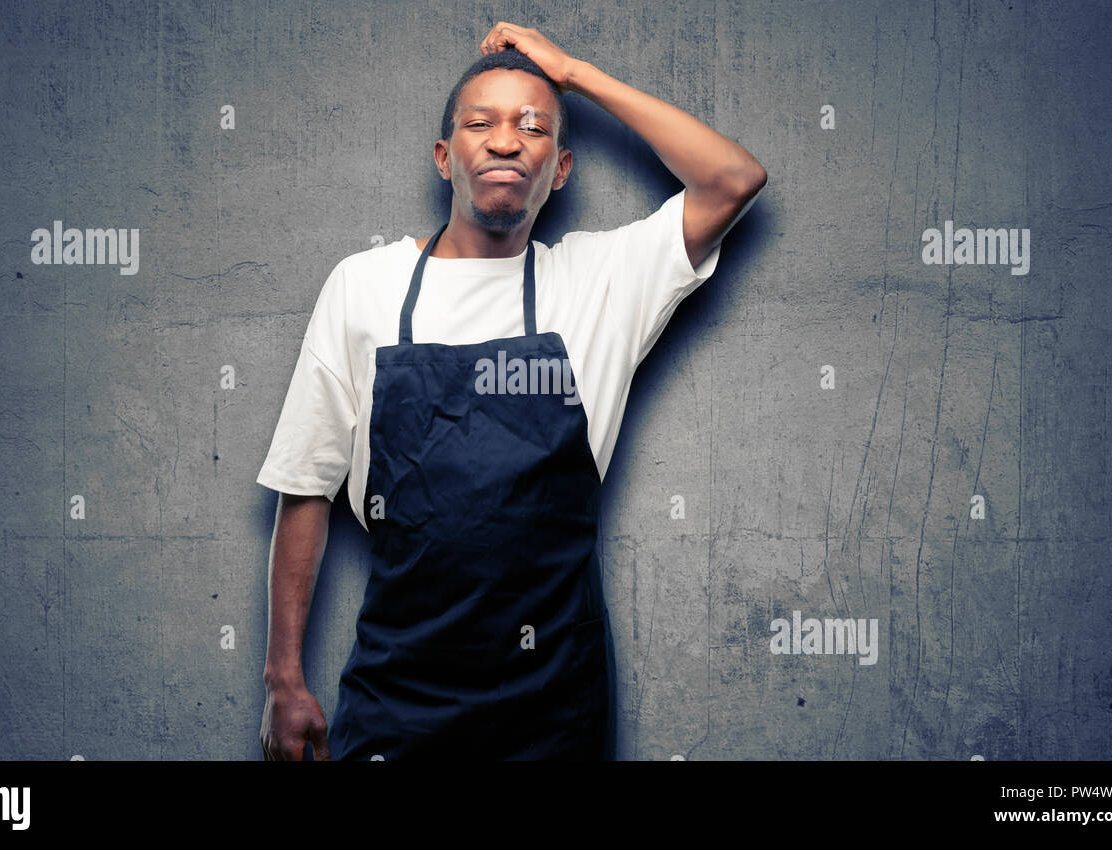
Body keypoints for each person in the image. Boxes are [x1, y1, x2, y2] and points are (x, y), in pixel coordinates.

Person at [257, 22, 766, 761]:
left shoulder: (598, 280)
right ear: (444, 157)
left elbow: (733, 179)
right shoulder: (365, 285)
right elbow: (305, 485)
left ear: (559, 168)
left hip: (555, 697)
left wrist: (576, 74)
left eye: (532, 126)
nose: (505, 140)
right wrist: (283, 679)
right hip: (401, 687)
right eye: (480, 123)